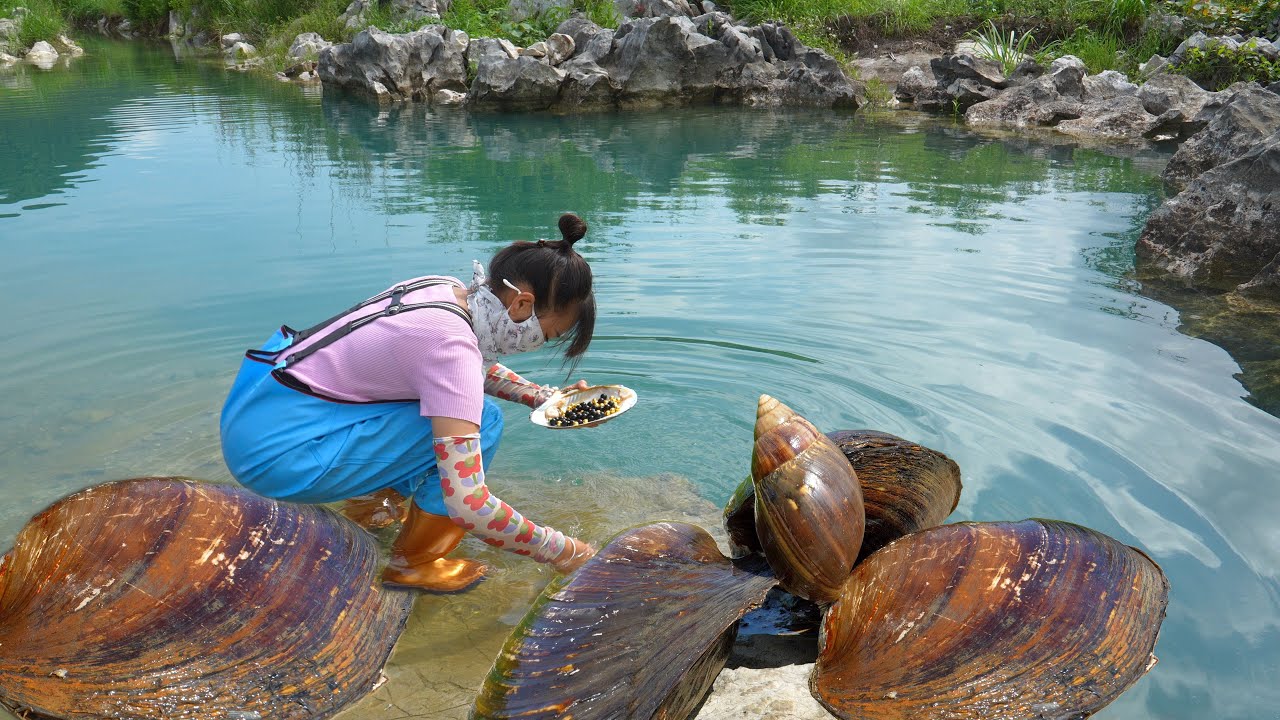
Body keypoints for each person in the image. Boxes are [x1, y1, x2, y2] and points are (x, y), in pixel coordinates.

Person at [219, 214, 599, 592]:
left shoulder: (443, 291)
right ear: (521, 305)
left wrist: (544, 397)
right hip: (279, 458)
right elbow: (469, 504)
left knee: (444, 413)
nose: (539, 343)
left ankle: (372, 507)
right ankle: (415, 563)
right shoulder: (452, 349)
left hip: (259, 414)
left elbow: (450, 371)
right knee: (484, 422)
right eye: (548, 334)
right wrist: (567, 552)